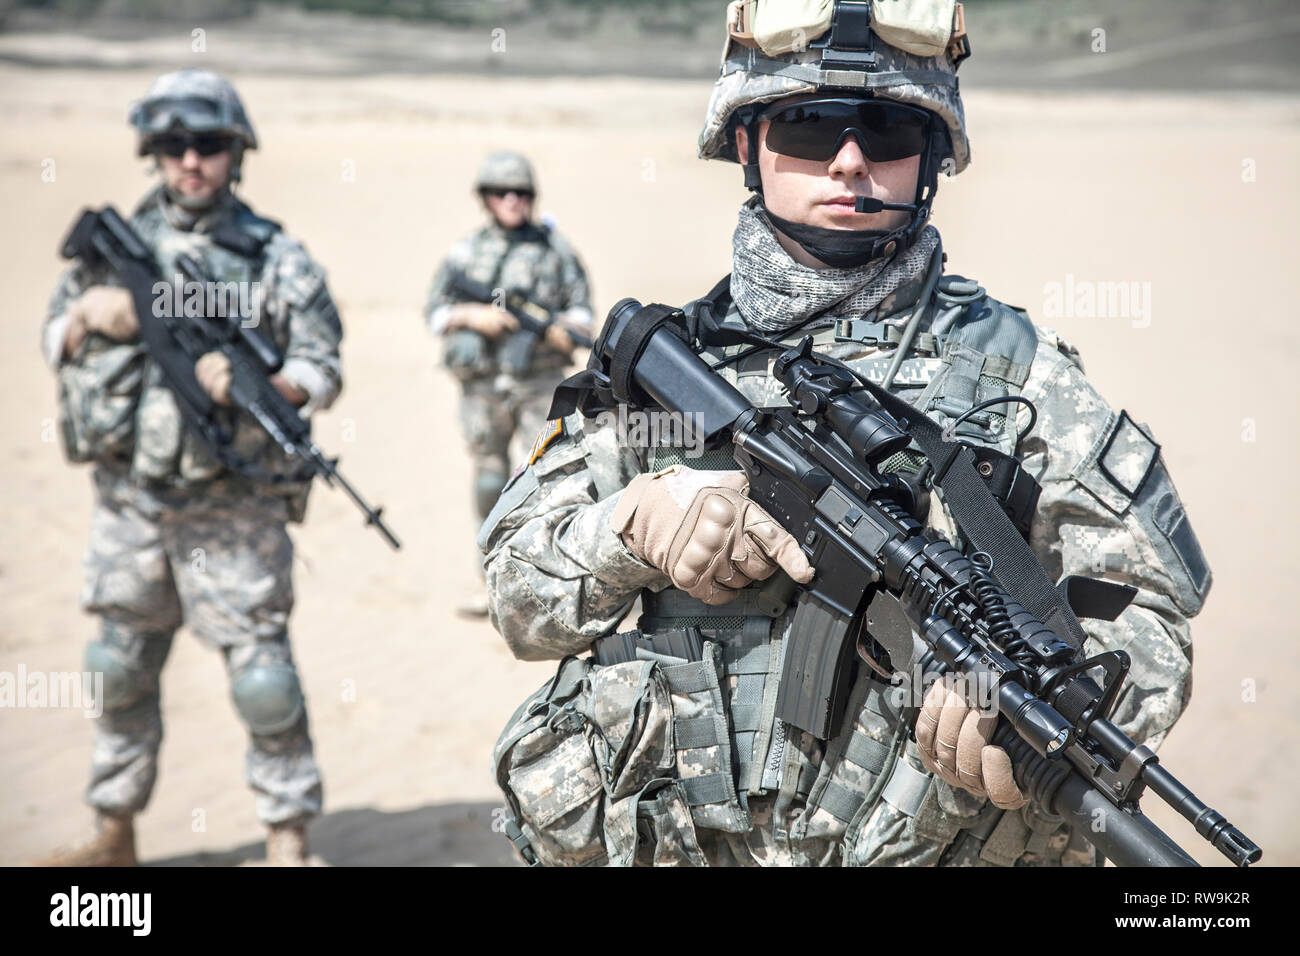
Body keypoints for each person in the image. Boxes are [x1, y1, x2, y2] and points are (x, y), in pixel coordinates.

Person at [480, 1, 1211, 866]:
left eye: (890, 130)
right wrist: (629, 529)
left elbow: (1151, 612)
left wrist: (1048, 726)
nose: (851, 160)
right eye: (806, 126)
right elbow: (516, 596)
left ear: (932, 156)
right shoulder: (666, 372)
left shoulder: (1023, 377)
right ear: (747, 144)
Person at [35, 69, 343, 866]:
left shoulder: (275, 256)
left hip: (233, 506)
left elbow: (322, 364)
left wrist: (265, 386)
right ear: (153, 154)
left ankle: (287, 841)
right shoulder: (118, 251)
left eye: (208, 144)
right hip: (130, 502)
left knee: (263, 685)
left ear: (236, 154)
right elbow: (50, 338)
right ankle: (114, 832)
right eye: (174, 146)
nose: (191, 161)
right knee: (115, 670)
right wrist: (87, 318)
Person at [423, 151, 593, 618]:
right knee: (490, 479)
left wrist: (560, 327)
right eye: (501, 192)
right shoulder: (465, 253)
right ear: (485, 198)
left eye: (521, 192)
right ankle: (490, 581)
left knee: (544, 477)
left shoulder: (556, 251)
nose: (512, 201)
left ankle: (543, 587)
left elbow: (583, 313)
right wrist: (472, 316)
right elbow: (434, 310)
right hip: (483, 387)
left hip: (540, 382)